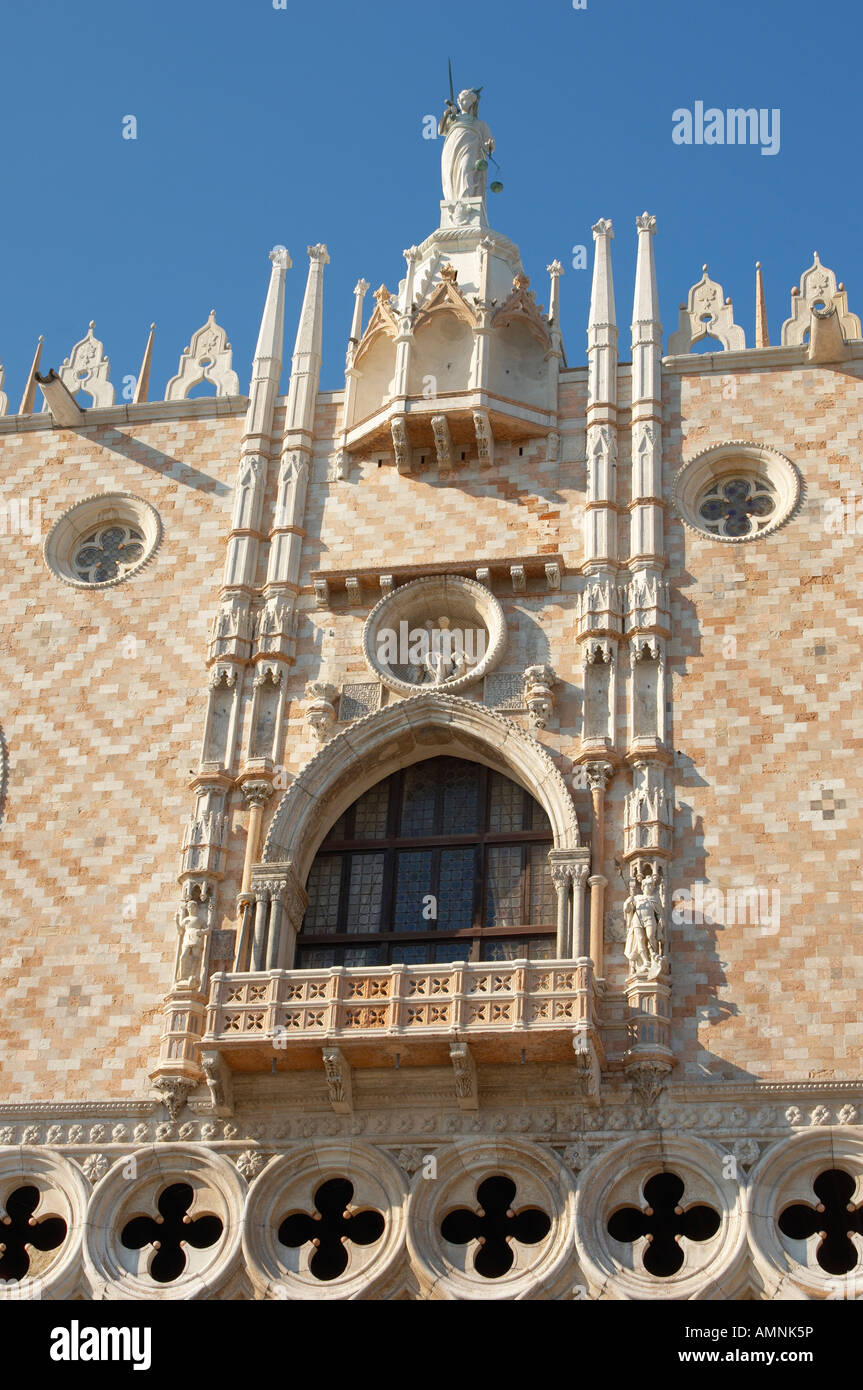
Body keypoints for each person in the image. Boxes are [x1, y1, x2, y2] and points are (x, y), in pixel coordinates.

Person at [439, 89, 495, 204]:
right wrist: (447, 114)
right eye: (461, 99)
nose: (462, 101)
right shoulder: (454, 118)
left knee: (465, 169)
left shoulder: (480, 124)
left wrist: (489, 145)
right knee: (451, 172)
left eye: (466, 99)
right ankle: (454, 201)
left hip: (471, 147)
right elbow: (441, 130)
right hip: (452, 146)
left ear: (472, 103)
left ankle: (466, 203)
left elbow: (489, 143)